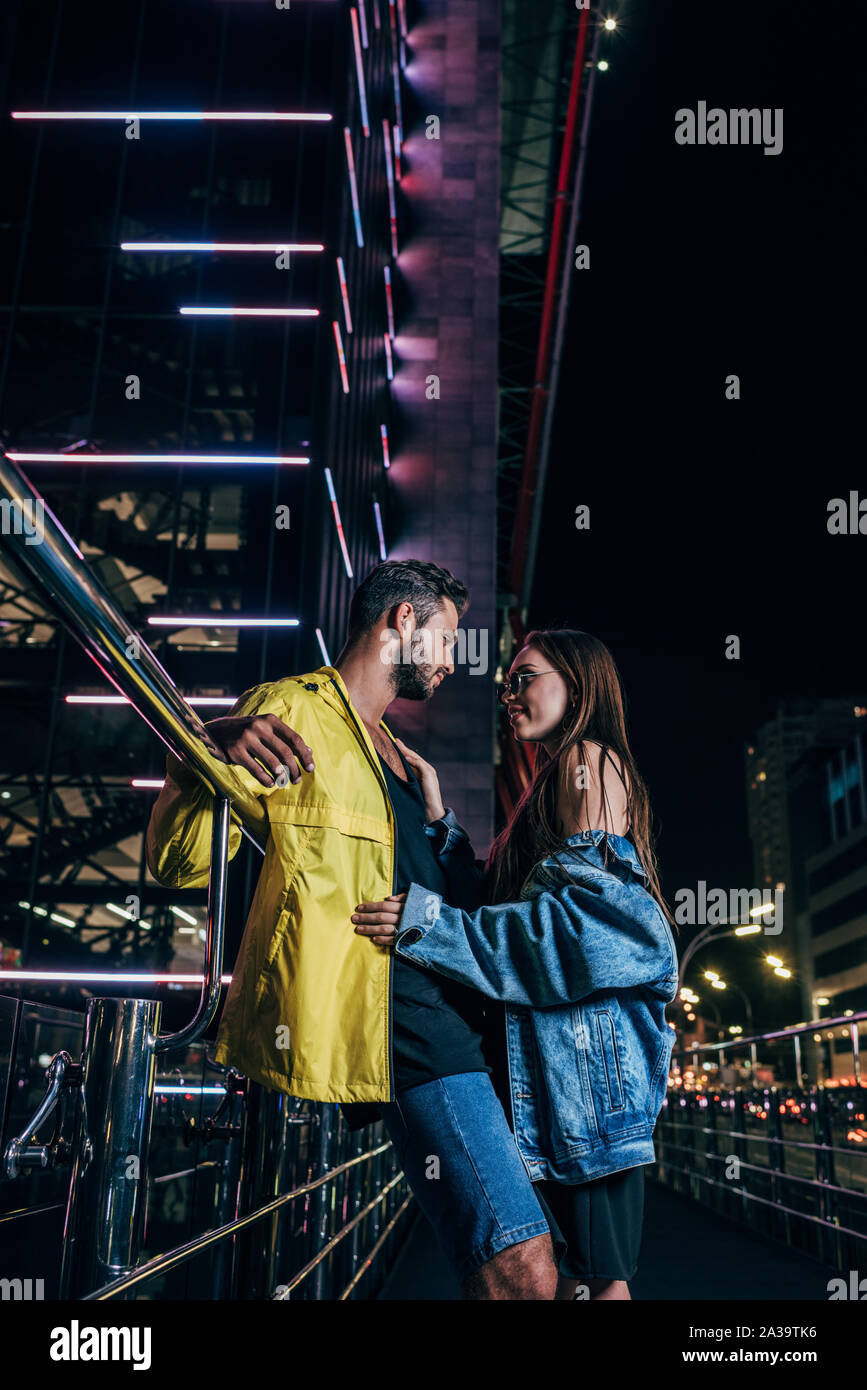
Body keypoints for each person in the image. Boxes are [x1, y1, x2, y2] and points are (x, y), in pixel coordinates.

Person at [145, 559, 561, 1299]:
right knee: (521, 1266)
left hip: (457, 1023)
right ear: (402, 621)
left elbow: (457, 903)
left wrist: (440, 823)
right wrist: (203, 748)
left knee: (525, 1258)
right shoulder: (292, 710)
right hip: (403, 1028)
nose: (448, 663)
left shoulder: (400, 756)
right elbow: (178, 864)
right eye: (445, 641)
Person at [352, 629, 679, 1300]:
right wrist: (441, 820)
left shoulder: (586, 761)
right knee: (576, 1283)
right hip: (560, 1074)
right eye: (506, 682)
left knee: (595, 1285)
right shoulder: (552, 778)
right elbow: (504, 908)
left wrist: (429, 928)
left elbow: (590, 931)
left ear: (578, 685)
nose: (509, 693)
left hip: (582, 1079)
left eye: (525, 677)